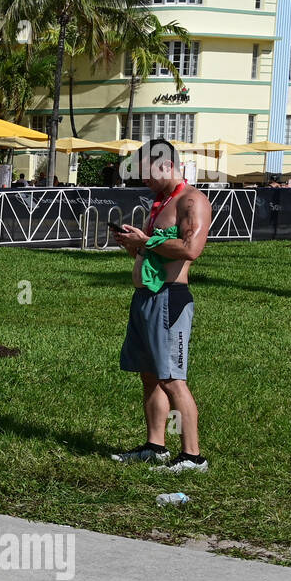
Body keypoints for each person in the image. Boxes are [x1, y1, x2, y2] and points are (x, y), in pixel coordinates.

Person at [111, 137, 212, 474]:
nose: (144, 181)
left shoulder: (191, 200)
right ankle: (156, 447)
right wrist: (133, 245)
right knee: (150, 376)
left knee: (172, 378)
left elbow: (190, 249)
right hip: (146, 297)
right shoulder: (159, 202)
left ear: (167, 165)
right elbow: (154, 253)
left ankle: (193, 456)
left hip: (170, 298)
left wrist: (147, 240)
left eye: (148, 173)